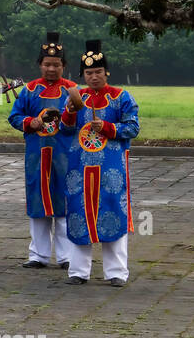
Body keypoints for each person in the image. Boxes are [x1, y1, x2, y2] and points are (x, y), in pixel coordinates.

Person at [59, 40, 140, 287]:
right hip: (80, 168)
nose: (94, 77)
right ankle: (78, 271)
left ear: (107, 72)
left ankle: (116, 271)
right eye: (88, 73)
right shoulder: (77, 97)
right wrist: (70, 111)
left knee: (112, 210)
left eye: (98, 72)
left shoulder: (121, 97)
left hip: (110, 169)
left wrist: (107, 127)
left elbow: (133, 127)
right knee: (77, 213)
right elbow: (64, 128)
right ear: (83, 75)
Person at [8, 32, 78, 270]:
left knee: (64, 205)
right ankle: (38, 254)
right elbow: (14, 116)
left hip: (64, 156)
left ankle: (67, 255)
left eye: (56, 65)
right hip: (37, 157)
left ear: (64, 66)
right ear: (39, 65)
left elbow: (82, 119)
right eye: (47, 64)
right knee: (38, 205)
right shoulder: (29, 90)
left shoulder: (73, 91)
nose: (51, 69)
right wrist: (30, 123)